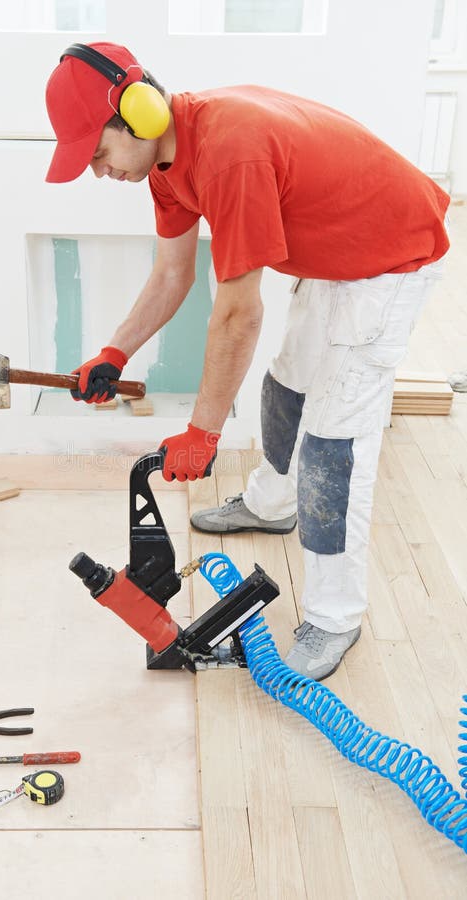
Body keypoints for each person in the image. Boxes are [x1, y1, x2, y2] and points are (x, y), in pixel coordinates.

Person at [45, 41, 450, 680]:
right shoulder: (166, 166)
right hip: (337, 253)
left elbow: (239, 314)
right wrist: (113, 351)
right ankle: (270, 505)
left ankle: (334, 614)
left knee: (332, 447)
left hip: (390, 258)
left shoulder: (230, 151)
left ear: (141, 112)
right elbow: (172, 273)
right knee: (287, 385)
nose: (99, 171)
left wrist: (202, 432)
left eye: (98, 153)